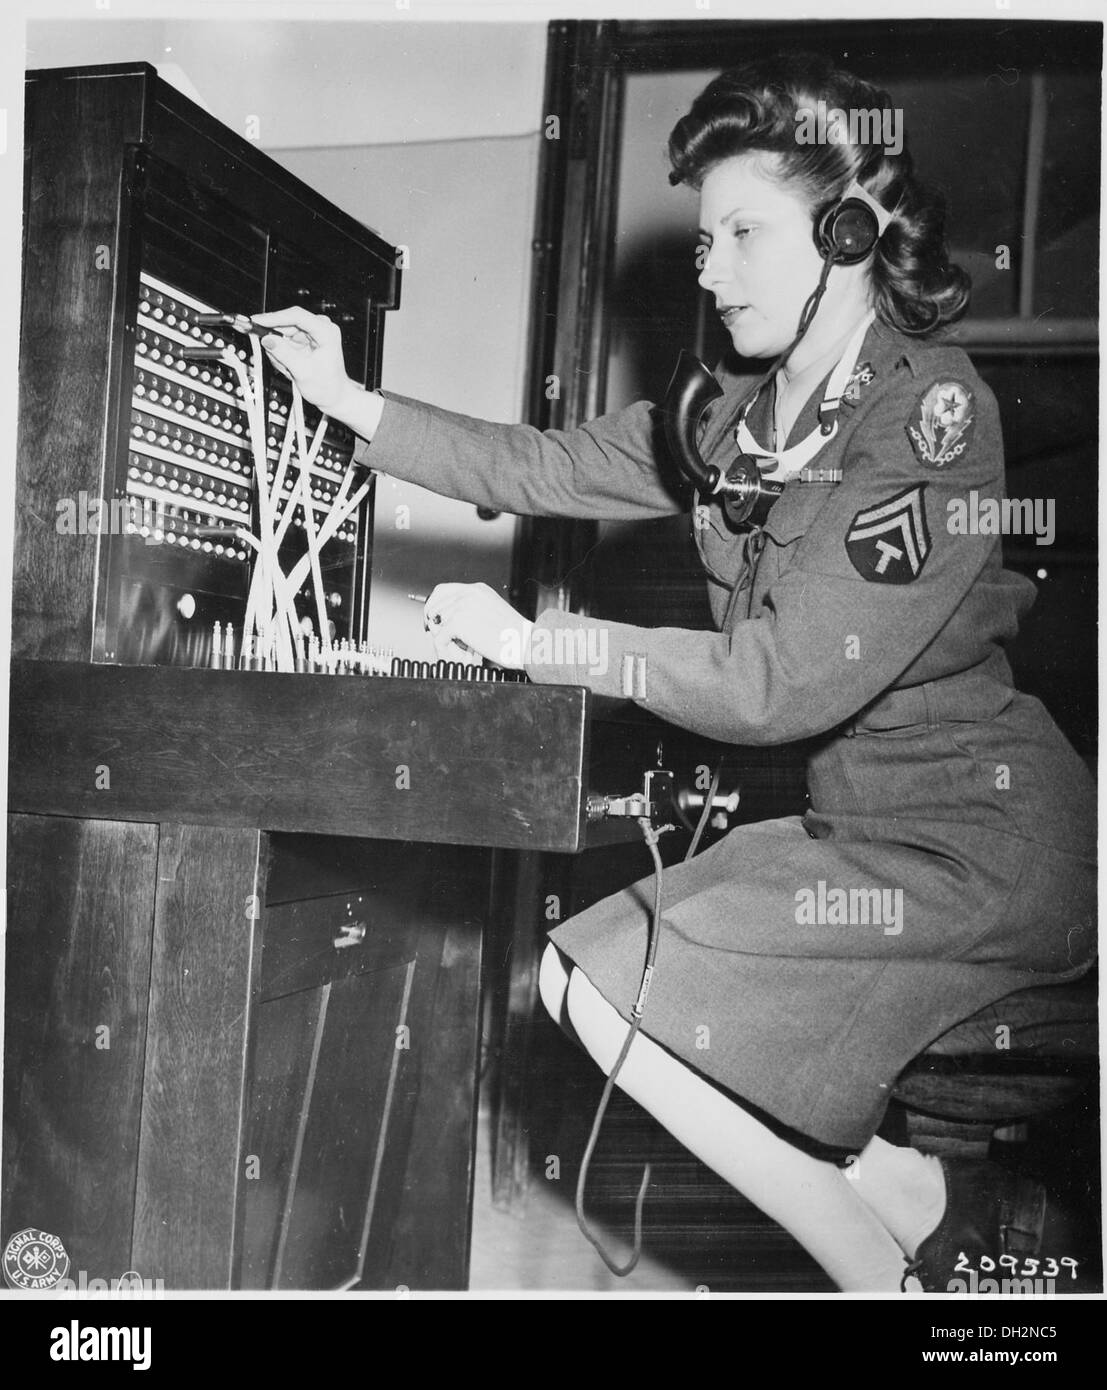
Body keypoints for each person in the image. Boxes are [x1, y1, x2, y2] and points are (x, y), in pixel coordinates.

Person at [255, 53, 1097, 1293]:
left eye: (744, 233)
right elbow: (538, 466)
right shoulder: (733, 417)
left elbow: (780, 682)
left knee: (613, 993)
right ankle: (923, 1206)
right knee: (581, 976)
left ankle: (894, 1282)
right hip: (858, 832)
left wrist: (544, 643)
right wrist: (344, 398)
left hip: (981, 843)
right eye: (706, 239)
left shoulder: (931, 419)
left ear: (849, 232)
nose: (709, 269)